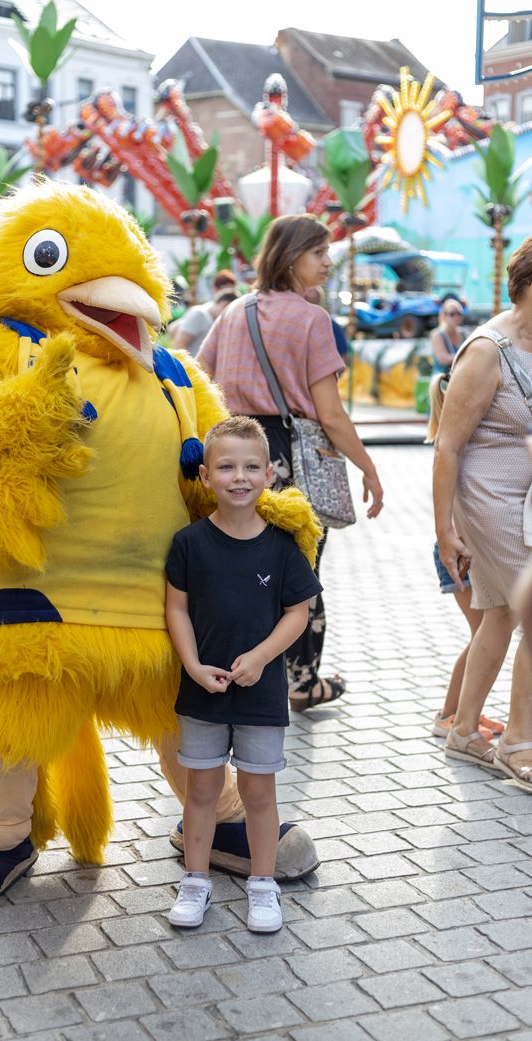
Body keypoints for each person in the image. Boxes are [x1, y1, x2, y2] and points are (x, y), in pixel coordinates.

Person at [198, 213, 384, 712]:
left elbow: (200, 377)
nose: (328, 262)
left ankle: (239, 666)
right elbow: (330, 413)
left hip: (233, 449)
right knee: (298, 570)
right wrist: (368, 468)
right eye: (318, 252)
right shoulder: (312, 319)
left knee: (240, 563)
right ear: (290, 257)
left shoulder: (233, 312)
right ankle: (302, 681)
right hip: (285, 453)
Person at [164, 417, 322, 931]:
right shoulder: (188, 543)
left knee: (258, 793)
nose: (239, 477)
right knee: (202, 791)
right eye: (227, 467)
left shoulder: (281, 546)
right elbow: (176, 609)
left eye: (251, 467)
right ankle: (195, 881)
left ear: (270, 473)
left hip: (261, 695)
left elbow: (298, 612)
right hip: (202, 692)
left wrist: (259, 658)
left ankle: (262, 885)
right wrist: (192, 665)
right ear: (205, 476)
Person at [433, 237, 532, 789]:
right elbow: (447, 446)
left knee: (499, 613)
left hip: (526, 501)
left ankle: (465, 730)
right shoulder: (488, 349)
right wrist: (444, 529)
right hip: (488, 499)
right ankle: (517, 742)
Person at [425, 375, 505, 741]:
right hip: (464, 553)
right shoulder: (461, 449)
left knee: (484, 634)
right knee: (482, 635)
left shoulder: (459, 445)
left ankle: (463, 711)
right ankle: (449, 714)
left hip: (465, 551)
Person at [172, 287, 239, 356]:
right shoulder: (199, 314)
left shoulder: (214, 318)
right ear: (225, 304)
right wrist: (186, 362)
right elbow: (180, 342)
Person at [430, 298, 464, 374]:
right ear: (444, 316)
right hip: (443, 377)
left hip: (460, 375)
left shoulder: (463, 333)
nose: (456, 317)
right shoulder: (437, 334)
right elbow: (442, 359)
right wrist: (465, 357)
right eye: (452, 314)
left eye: (459, 313)